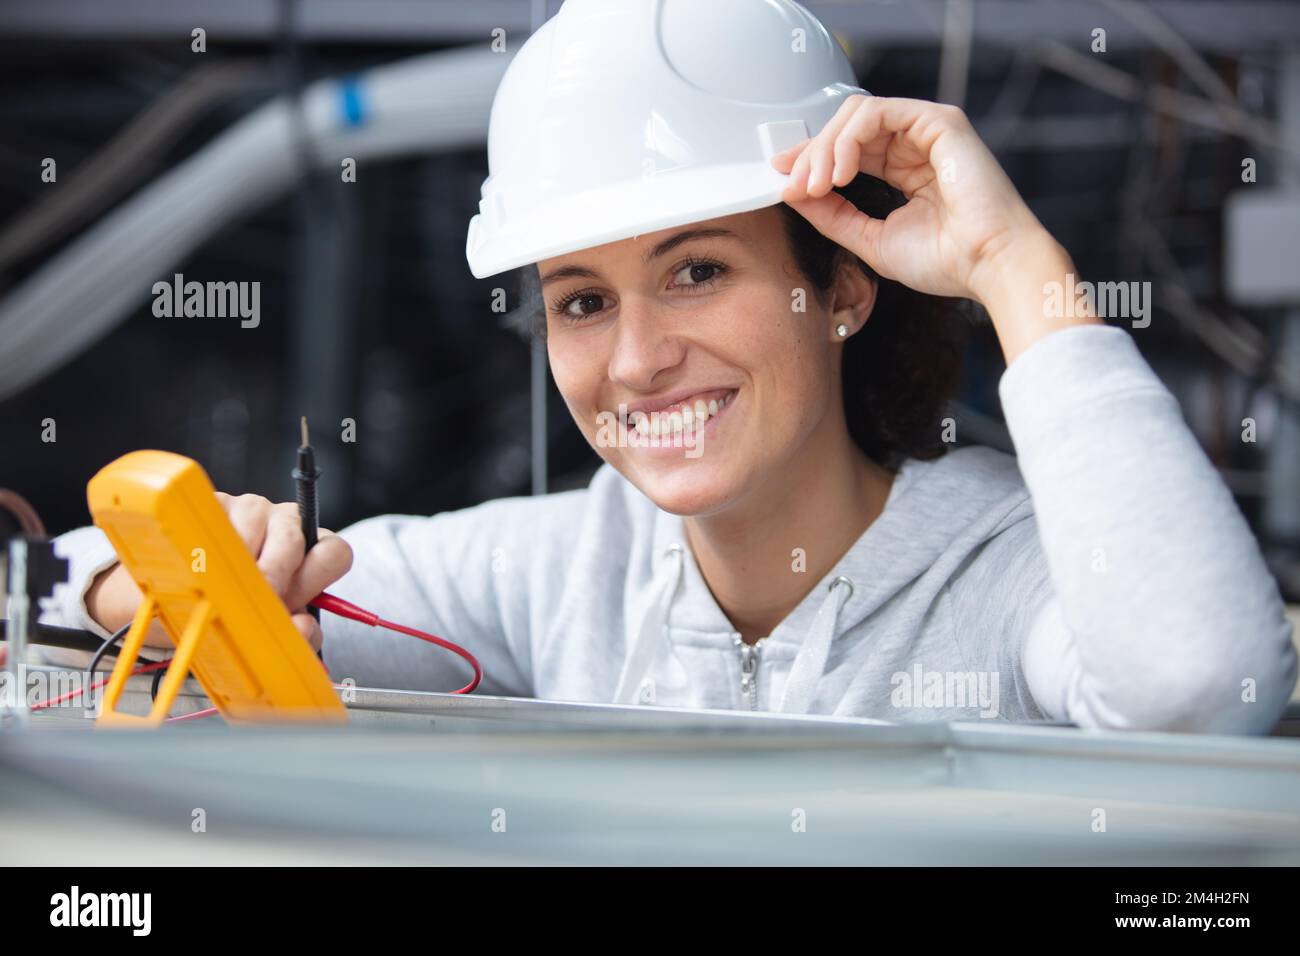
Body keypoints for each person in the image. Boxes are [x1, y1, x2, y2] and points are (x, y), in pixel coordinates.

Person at [44, 0, 1297, 731]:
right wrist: (175, 576)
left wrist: (1018, 264)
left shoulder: (1011, 577)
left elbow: (1204, 682)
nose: (635, 361)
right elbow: (61, 574)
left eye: (698, 270)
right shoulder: (564, 572)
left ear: (843, 284)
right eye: (582, 299)